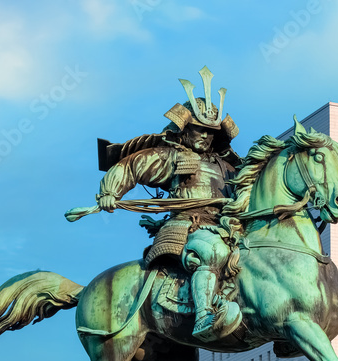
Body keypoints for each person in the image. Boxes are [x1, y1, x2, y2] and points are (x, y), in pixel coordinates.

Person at [96, 67, 242, 342]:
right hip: (188, 226)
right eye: (198, 130)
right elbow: (131, 167)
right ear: (184, 130)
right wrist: (110, 191)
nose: (204, 137)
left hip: (225, 226)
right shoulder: (174, 158)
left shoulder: (228, 167)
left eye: (210, 132)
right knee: (209, 252)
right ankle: (204, 318)